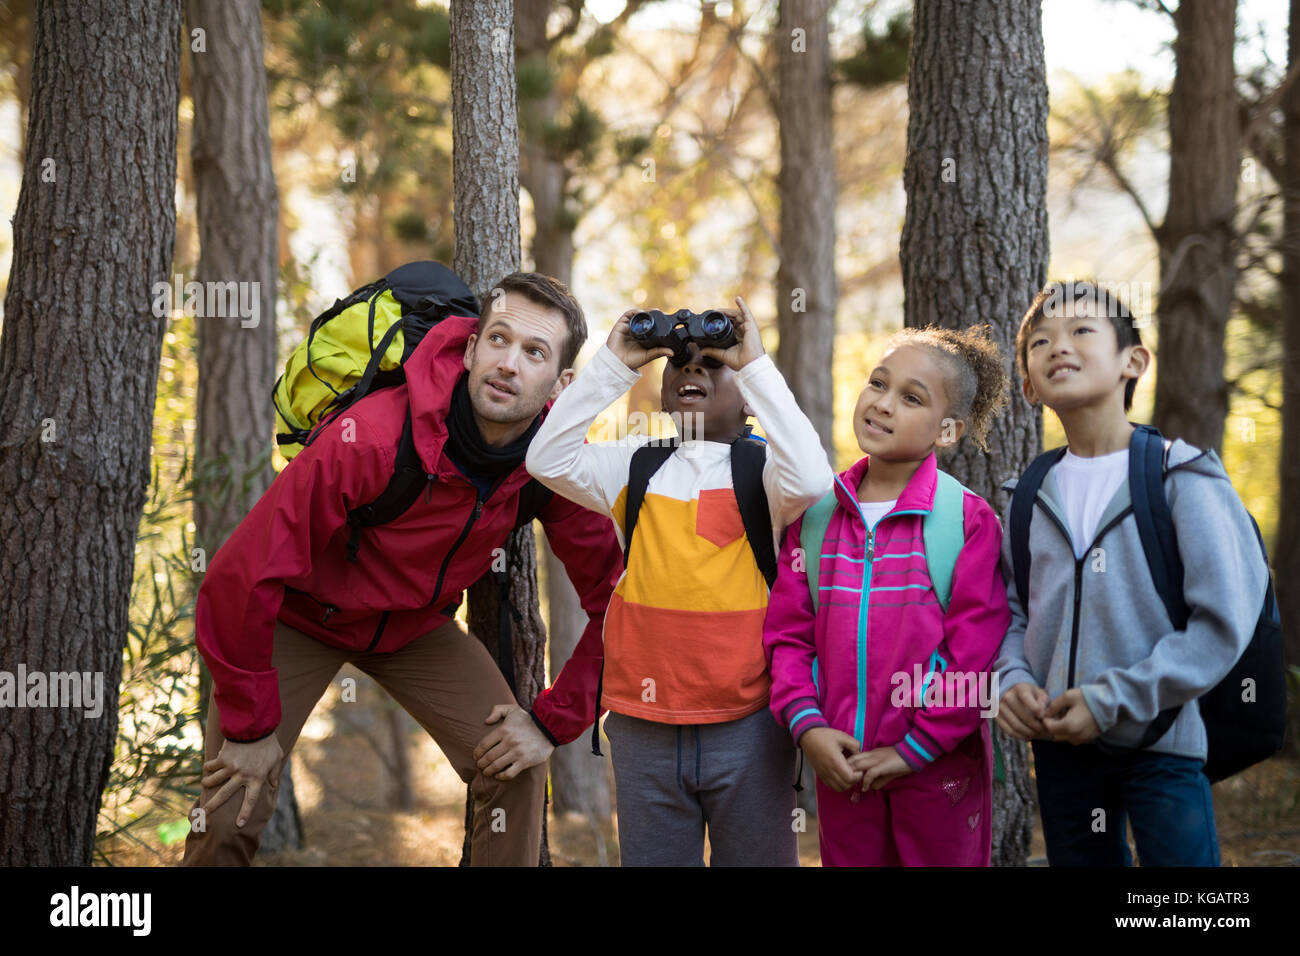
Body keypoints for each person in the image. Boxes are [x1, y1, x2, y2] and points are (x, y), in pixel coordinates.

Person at [184, 272, 622, 867]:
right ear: (470, 348)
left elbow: (621, 605)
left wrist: (550, 723)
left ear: (561, 383)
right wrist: (250, 726)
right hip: (300, 617)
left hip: (413, 629)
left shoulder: (554, 467)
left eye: (534, 351)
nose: (508, 364)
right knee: (234, 799)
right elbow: (240, 575)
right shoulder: (371, 439)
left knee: (515, 767)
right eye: (498, 340)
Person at [525, 298, 833, 866]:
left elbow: (815, 479)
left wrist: (755, 364)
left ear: (749, 399)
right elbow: (546, 459)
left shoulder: (763, 472)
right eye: (681, 361)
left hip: (748, 725)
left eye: (715, 363)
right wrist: (616, 364)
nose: (693, 368)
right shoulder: (634, 465)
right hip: (643, 729)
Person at [993, 280, 1269, 867]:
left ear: (1133, 361)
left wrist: (1115, 698)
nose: (1057, 346)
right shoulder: (1025, 496)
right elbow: (1014, 612)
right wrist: (1010, 680)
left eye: (1081, 330)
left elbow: (1222, 622)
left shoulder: (1182, 476)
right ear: (1028, 386)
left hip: (1161, 743)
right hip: (1060, 751)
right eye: (1040, 341)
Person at [764, 325, 1011, 866]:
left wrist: (914, 749)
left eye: (911, 397)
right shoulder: (816, 518)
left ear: (948, 430)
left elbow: (975, 653)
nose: (883, 404)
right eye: (879, 383)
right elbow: (787, 638)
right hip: (842, 768)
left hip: (938, 773)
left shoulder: (965, 521)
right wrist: (808, 727)